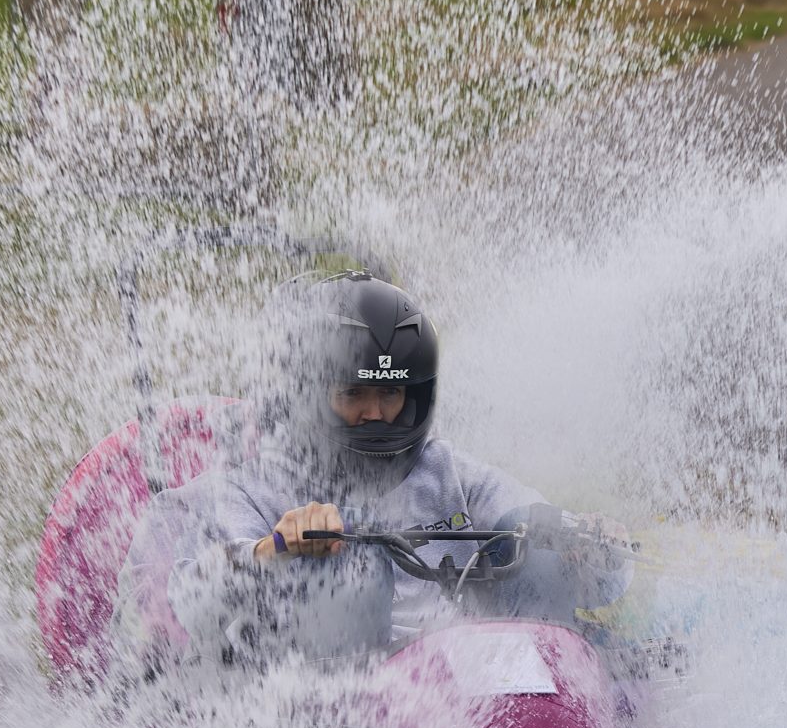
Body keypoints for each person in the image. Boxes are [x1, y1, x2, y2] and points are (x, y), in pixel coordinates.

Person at [127, 273, 631, 663]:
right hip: (335, 716)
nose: (375, 414)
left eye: (390, 393)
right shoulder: (249, 489)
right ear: (307, 395)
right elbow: (192, 603)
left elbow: (597, 575)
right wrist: (273, 549)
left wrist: (592, 546)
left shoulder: (447, 471)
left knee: (536, 544)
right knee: (350, 565)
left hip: (469, 701)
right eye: (353, 393)